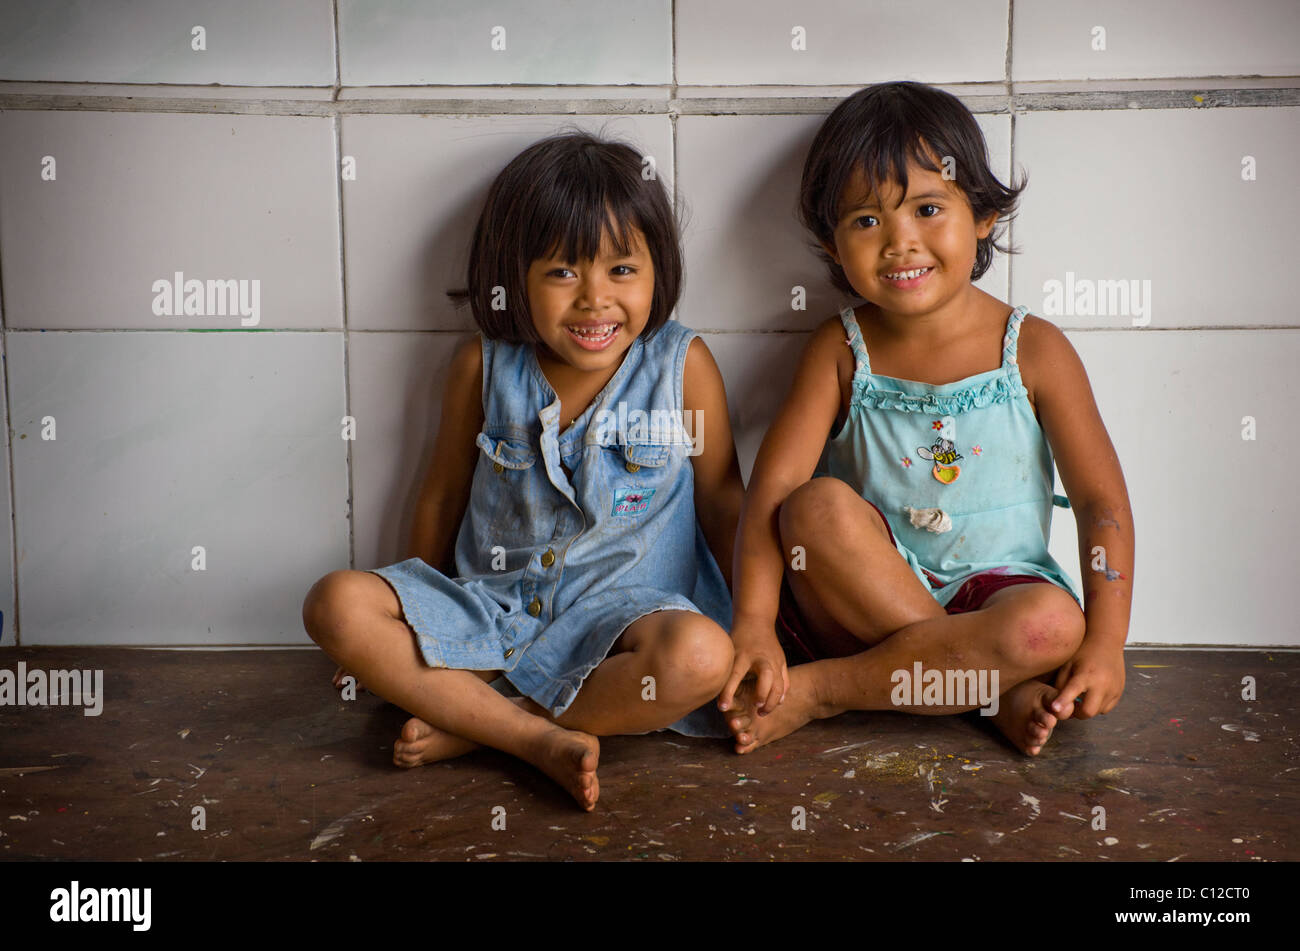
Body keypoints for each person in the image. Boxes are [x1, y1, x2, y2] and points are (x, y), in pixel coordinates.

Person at [303, 132, 743, 810]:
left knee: (700, 657)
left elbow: (720, 500)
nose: (595, 300)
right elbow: (443, 491)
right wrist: (415, 620)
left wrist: (755, 628)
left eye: (621, 270)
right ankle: (522, 729)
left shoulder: (683, 368)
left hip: (621, 630)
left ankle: (488, 728)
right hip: (495, 609)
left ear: (659, 271)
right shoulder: (481, 368)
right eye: (564, 272)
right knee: (335, 602)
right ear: (514, 277)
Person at [720, 81, 1134, 758]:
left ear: (983, 217)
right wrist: (753, 623)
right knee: (812, 506)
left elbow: (1100, 501)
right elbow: (770, 491)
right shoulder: (839, 348)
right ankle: (989, 690)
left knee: (1056, 626)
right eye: (866, 221)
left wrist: (1109, 641)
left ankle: (826, 690)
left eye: (928, 207)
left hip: (1000, 597)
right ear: (832, 242)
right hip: (857, 601)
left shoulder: (1034, 349)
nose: (899, 242)